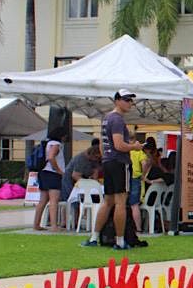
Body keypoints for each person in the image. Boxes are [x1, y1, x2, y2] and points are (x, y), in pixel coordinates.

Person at [82, 89, 143, 250]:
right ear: (117, 100)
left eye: (131, 100)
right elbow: (119, 145)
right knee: (121, 202)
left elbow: (103, 145)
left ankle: (94, 237)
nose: (129, 103)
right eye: (126, 99)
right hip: (120, 162)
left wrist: (105, 159)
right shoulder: (117, 120)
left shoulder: (106, 119)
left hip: (108, 162)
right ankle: (120, 240)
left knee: (107, 201)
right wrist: (134, 147)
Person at [33, 128, 67, 231]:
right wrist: (59, 170)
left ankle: (36, 224)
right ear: (61, 136)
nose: (66, 137)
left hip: (43, 172)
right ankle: (54, 225)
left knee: (43, 200)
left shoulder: (47, 143)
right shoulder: (56, 144)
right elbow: (51, 157)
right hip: (52, 174)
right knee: (54, 200)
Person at [61, 145, 101, 228]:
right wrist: (88, 183)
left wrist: (94, 181)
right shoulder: (81, 159)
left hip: (83, 180)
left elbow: (95, 171)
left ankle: (77, 221)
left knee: (81, 201)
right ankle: (66, 222)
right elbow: (75, 175)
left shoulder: (94, 160)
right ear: (92, 155)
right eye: (96, 157)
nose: (97, 159)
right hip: (69, 181)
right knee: (72, 200)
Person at [129, 144, 148, 232]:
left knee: (120, 203)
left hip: (124, 177)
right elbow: (144, 163)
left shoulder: (124, 149)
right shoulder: (138, 151)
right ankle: (138, 228)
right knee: (134, 204)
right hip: (136, 177)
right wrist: (143, 175)